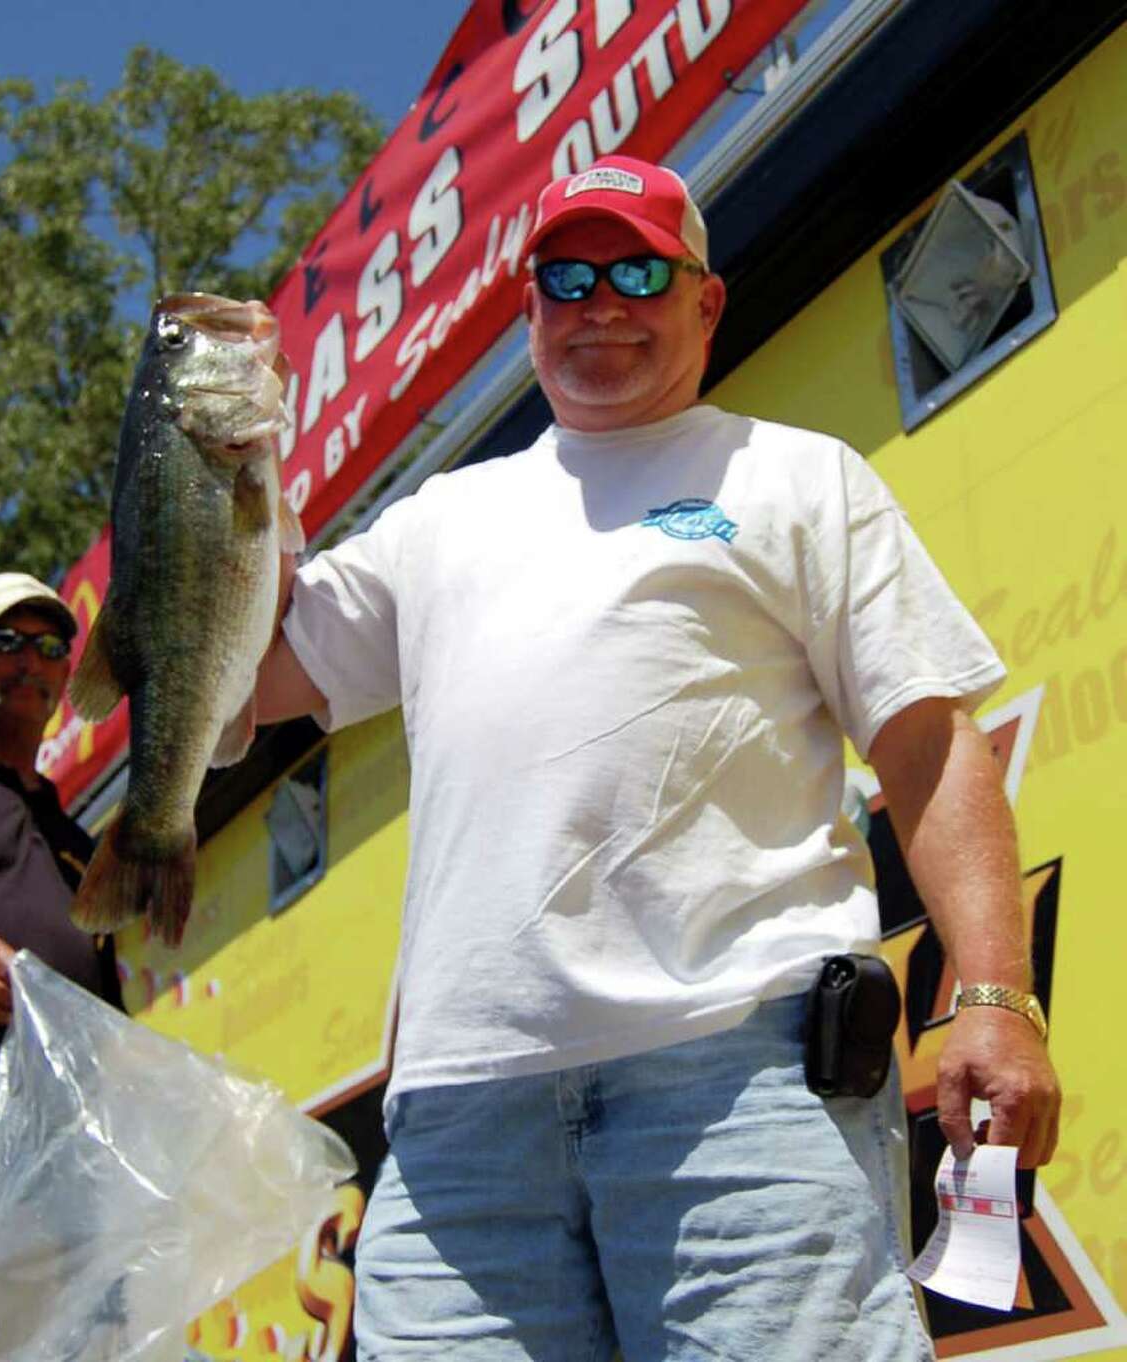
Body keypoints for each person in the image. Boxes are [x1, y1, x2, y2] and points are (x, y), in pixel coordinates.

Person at [254, 156, 1061, 1360]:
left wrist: (994, 998)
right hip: (458, 1132)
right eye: (567, 277)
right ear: (529, 308)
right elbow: (246, 677)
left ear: (707, 301)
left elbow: (929, 748)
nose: (602, 303)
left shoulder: (796, 476)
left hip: (738, 1091)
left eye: (639, 270)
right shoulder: (435, 525)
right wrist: (231, 458)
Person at [0, 572, 122, 1252]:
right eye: (7, 640)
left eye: (50, 648)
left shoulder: (78, 846)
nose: (31, 660)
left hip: (61, 1206)